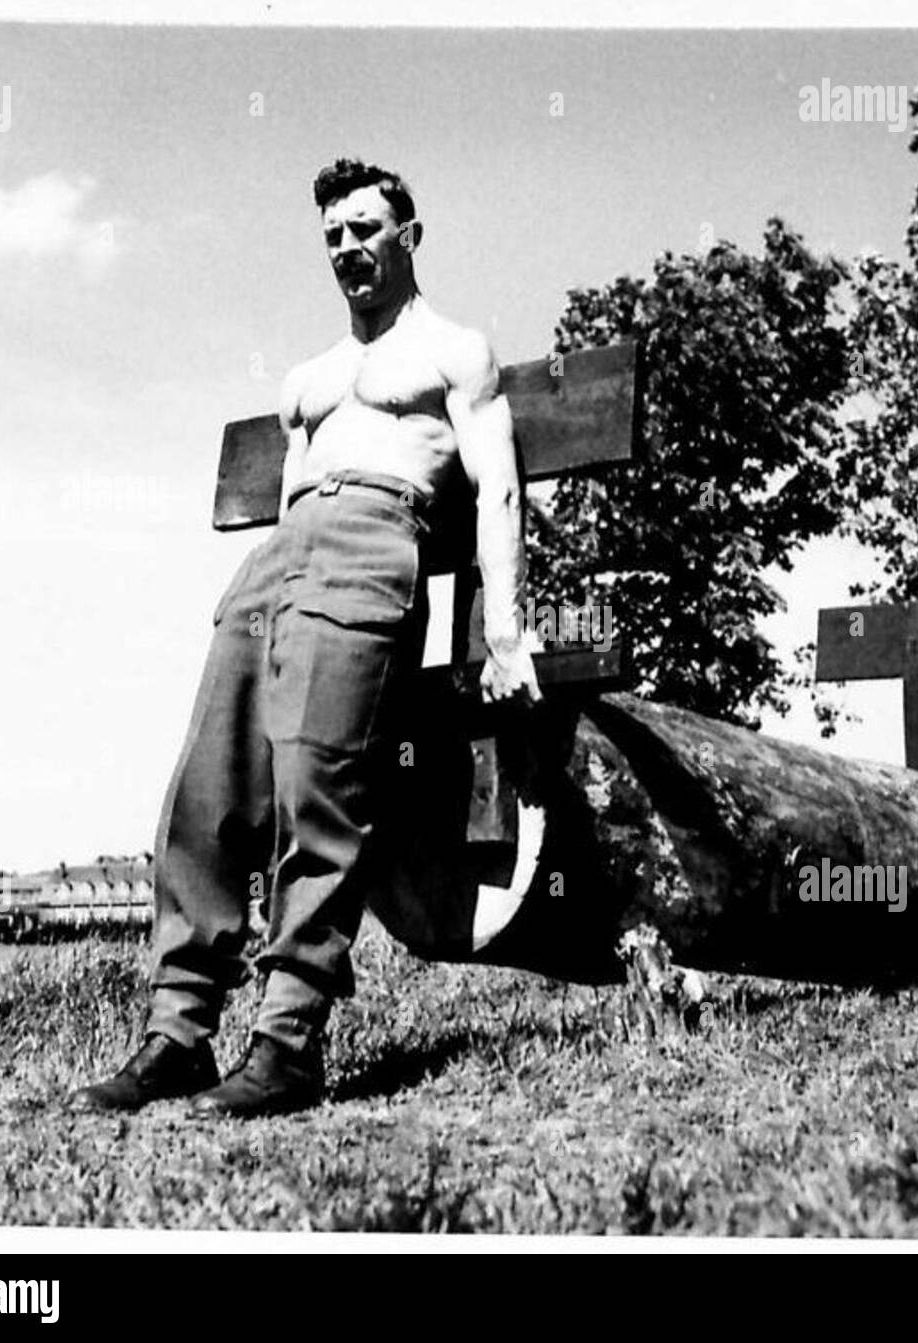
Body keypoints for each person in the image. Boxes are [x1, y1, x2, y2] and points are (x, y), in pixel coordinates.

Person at [69, 158, 540, 1118]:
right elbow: (290, 499)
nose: (347, 248)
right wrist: (275, 575)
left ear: (409, 236)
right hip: (280, 560)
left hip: (376, 543)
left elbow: (497, 487)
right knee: (203, 793)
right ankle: (178, 1032)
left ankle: (287, 1041)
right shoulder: (310, 379)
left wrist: (506, 631)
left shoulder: (456, 351)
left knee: (316, 784)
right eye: (332, 235)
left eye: (365, 229)